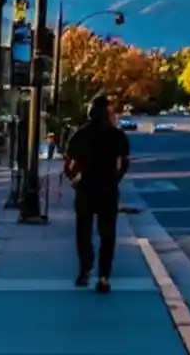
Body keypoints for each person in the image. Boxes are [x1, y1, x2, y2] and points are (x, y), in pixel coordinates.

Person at [64, 93, 131, 294]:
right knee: (107, 235)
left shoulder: (81, 134)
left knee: (83, 232)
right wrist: (116, 178)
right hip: (107, 189)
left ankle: (85, 268)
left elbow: (69, 162)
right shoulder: (117, 136)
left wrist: (73, 177)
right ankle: (103, 276)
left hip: (86, 187)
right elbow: (125, 162)